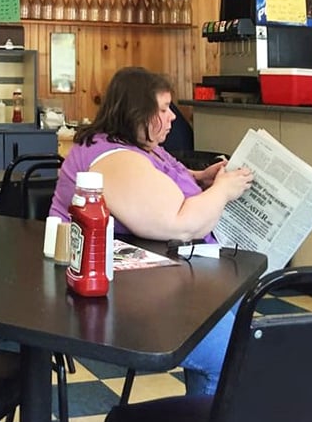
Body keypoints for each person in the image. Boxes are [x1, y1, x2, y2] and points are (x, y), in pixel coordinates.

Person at [49, 66, 253, 397]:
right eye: (162, 109)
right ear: (136, 113)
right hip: (119, 296)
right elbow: (181, 224)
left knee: (237, 303)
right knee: (232, 349)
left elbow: (166, 176)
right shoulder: (114, 159)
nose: (172, 117)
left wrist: (202, 178)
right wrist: (224, 190)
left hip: (156, 278)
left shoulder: (137, 145)